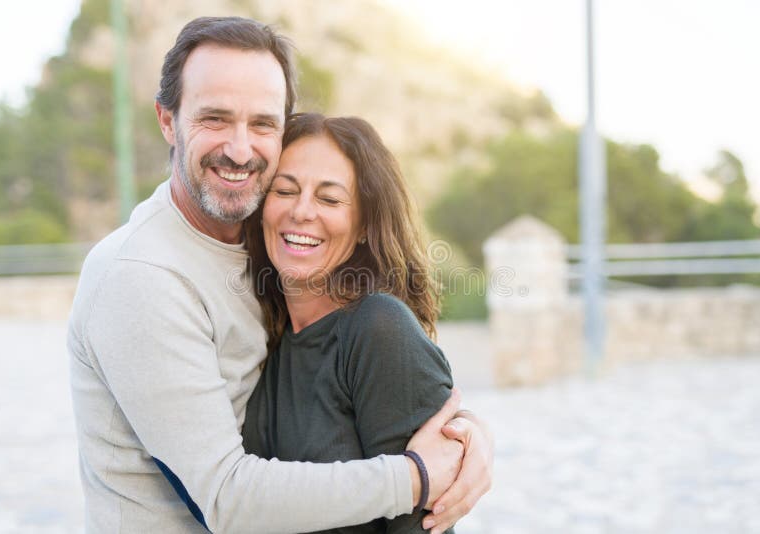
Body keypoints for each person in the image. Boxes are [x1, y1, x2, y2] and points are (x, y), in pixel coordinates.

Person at [68, 16, 492, 534]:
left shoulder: (258, 245)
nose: (241, 149)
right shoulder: (141, 276)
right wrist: (417, 476)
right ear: (167, 120)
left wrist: (466, 435)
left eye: (263, 123)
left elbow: (377, 378)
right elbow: (227, 498)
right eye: (215, 118)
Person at [242, 113, 461, 534]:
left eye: (329, 199)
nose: (301, 211)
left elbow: (426, 524)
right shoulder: (265, 335)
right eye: (284, 190)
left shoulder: (380, 328)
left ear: (363, 225)